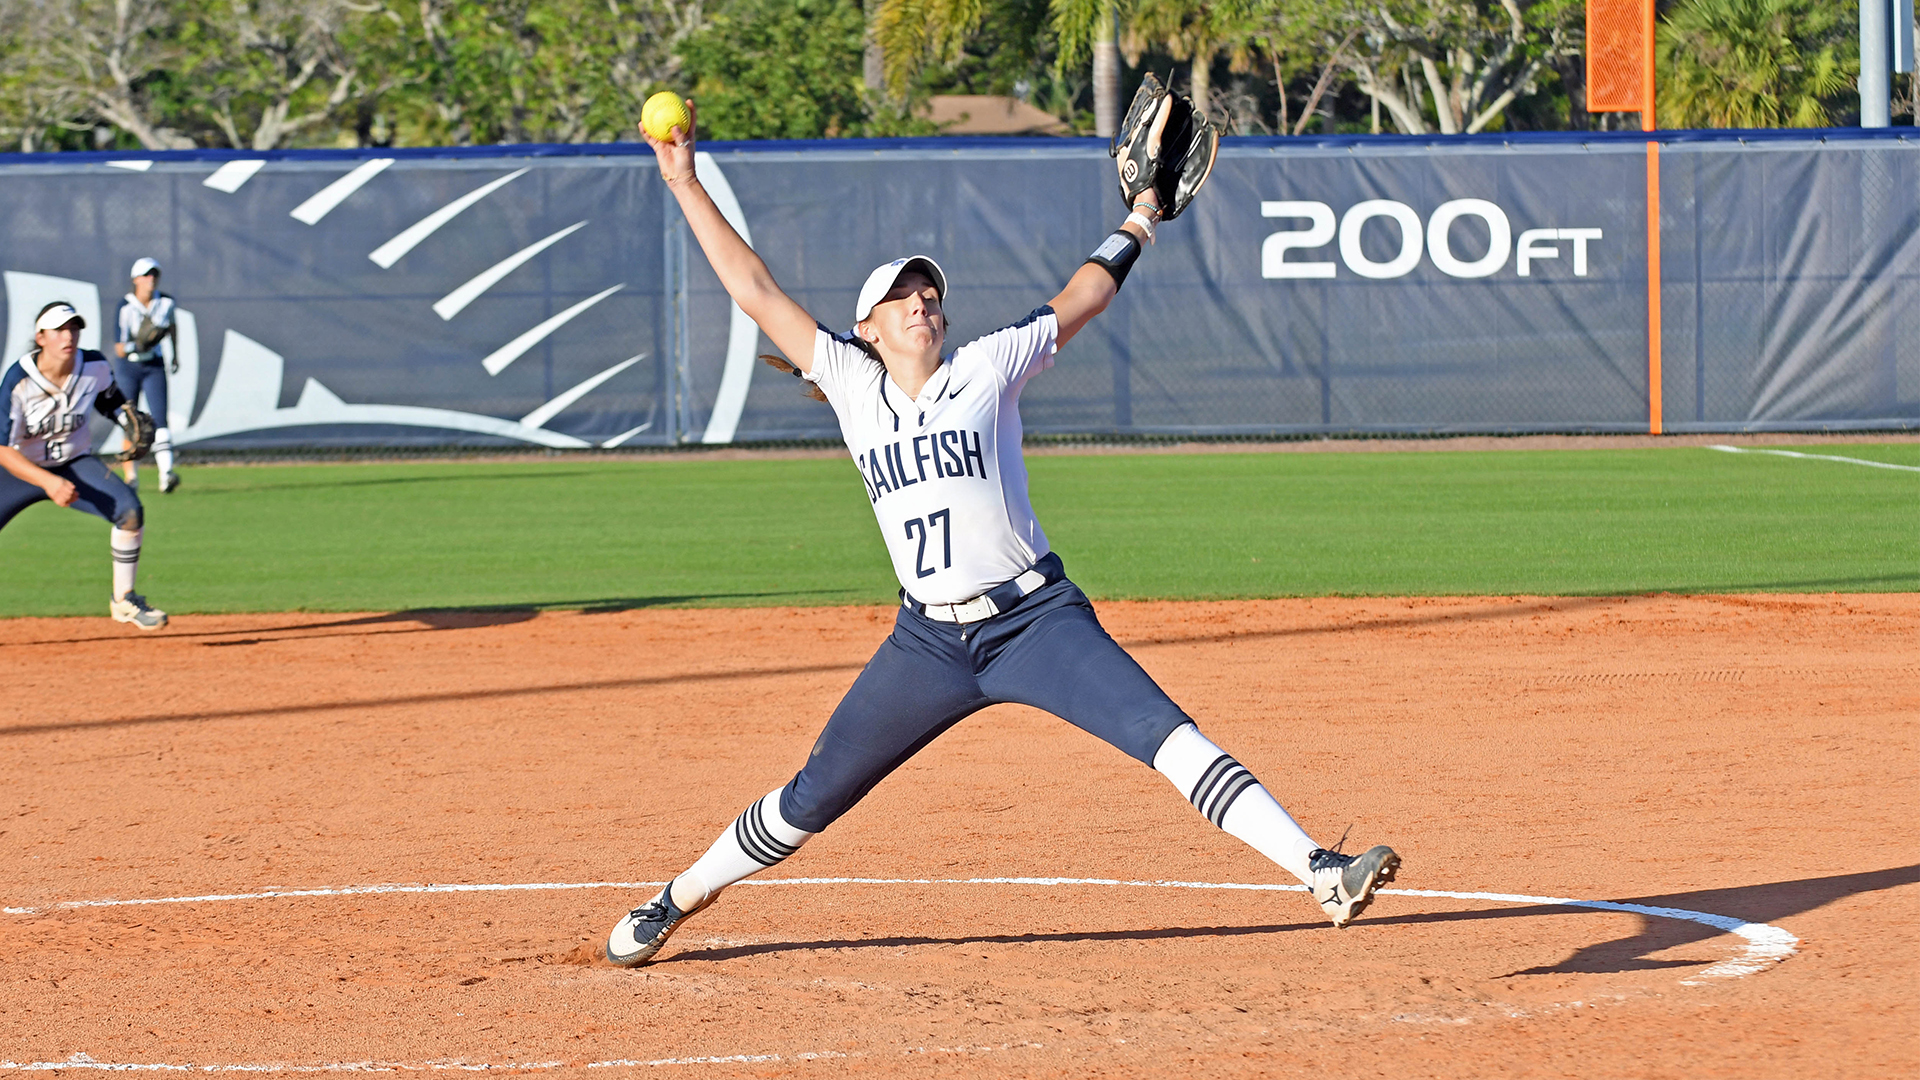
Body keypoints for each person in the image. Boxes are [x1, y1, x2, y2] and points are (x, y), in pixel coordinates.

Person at [606, 97, 1398, 967]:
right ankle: (677, 898)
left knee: (1167, 735)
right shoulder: (848, 382)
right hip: (926, 645)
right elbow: (751, 287)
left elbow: (1081, 296)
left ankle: (1319, 866)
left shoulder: (986, 369)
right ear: (867, 326)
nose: (920, 303)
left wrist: (1139, 218)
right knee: (810, 798)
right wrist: (682, 178)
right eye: (900, 296)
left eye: (930, 292)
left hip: (1036, 622)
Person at [1, 303, 169, 630]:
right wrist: (48, 483)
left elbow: (111, 401)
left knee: (129, 512)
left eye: (74, 328)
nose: (69, 336)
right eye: (60, 330)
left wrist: (128, 421)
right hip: (18, 469)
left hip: (74, 463)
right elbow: (3, 449)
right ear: (41, 337)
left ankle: (124, 600)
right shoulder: (18, 381)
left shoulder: (93, 365)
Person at [113, 257, 181, 493]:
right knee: (130, 423)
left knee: (160, 419)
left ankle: (167, 474)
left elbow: (172, 327)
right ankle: (131, 478)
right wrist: (137, 345)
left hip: (154, 365)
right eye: (146, 275)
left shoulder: (166, 303)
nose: (151, 279)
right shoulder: (126, 306)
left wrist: (175, 355)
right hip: (128, 368)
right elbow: (119, 348)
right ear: (136, 279)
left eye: (154, 275)